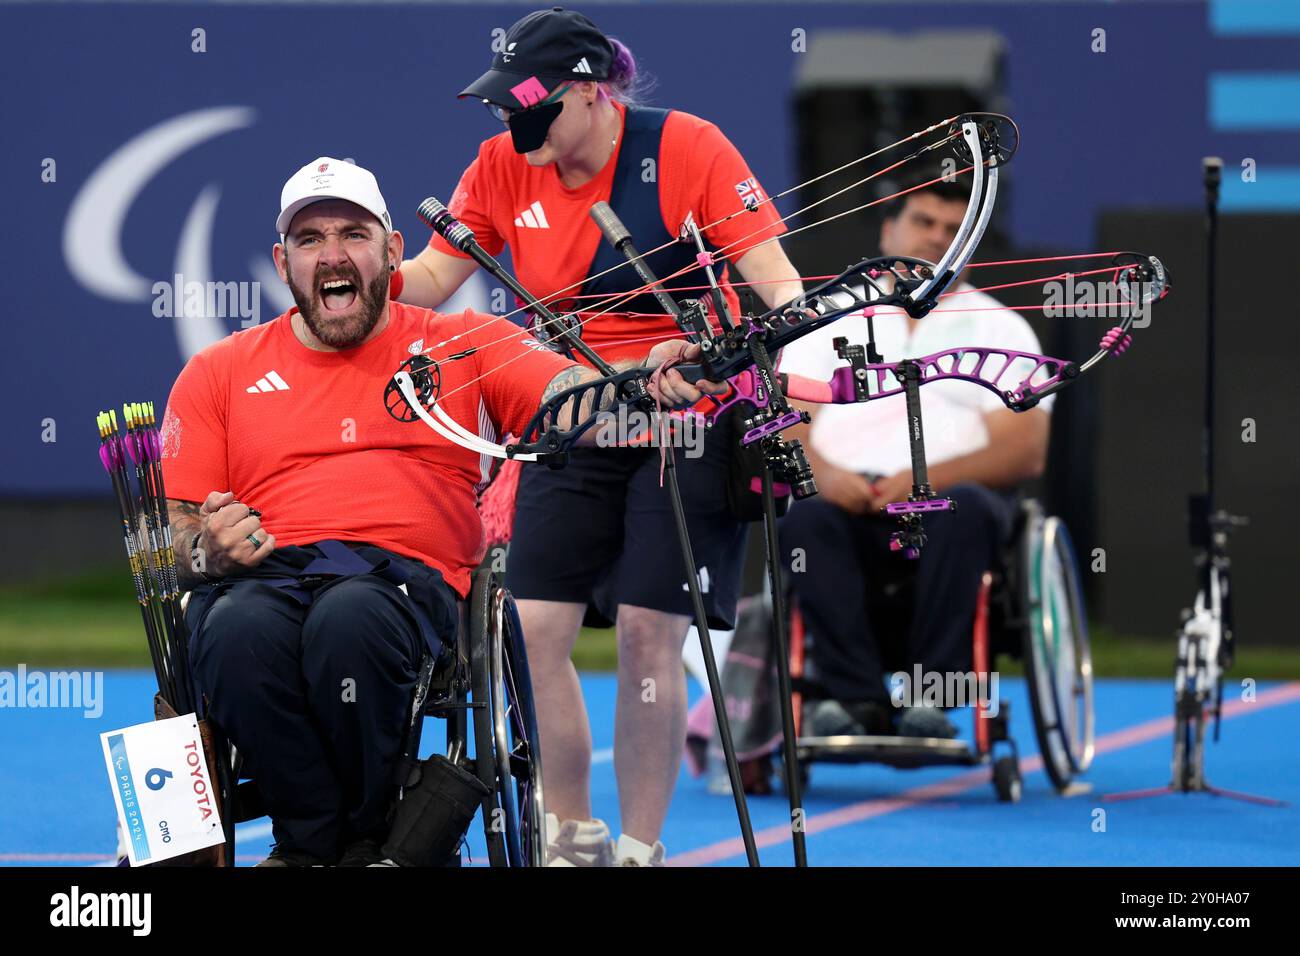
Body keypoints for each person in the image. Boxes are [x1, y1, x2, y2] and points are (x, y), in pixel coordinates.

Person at [161, 156, 718, 866]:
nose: (333, 254)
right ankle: (346, 843)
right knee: (236, 631)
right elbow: (175, 537)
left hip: (399, 585)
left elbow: (574, 389)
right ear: (283, 261)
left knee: (349, 621)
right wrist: (208, 549)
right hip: (266, 578)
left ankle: (314, 846)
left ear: (393, 252)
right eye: (310, 240)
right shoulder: (219, 371)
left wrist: (644, 378)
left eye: (354, 234)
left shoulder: (461, 342)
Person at [393, 7, 805, 866]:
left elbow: (779, 285)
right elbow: (432, 277)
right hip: (575, 410)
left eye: (529, 106)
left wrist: (712, 350)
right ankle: (568, 834)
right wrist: (357, 276)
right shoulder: (504, 162)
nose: (513, 124)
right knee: (532, 626)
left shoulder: (687, 147)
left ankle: (639, 848)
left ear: (587, 92)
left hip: (686, 424)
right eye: (503, 107)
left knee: (646, 637)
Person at [776, 174, 1053, 739]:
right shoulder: (827, 319)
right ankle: (856, 701)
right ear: (888, 229)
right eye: (923, 222)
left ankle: (934, 695)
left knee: (968, 506)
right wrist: (825, 476)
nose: (935, 238)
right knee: (802, 514)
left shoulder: (1003, 328)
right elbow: (786, 424)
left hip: (951, 514)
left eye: (954, 230)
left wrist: (920, 481)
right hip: (844, 504)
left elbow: (1025, 449)